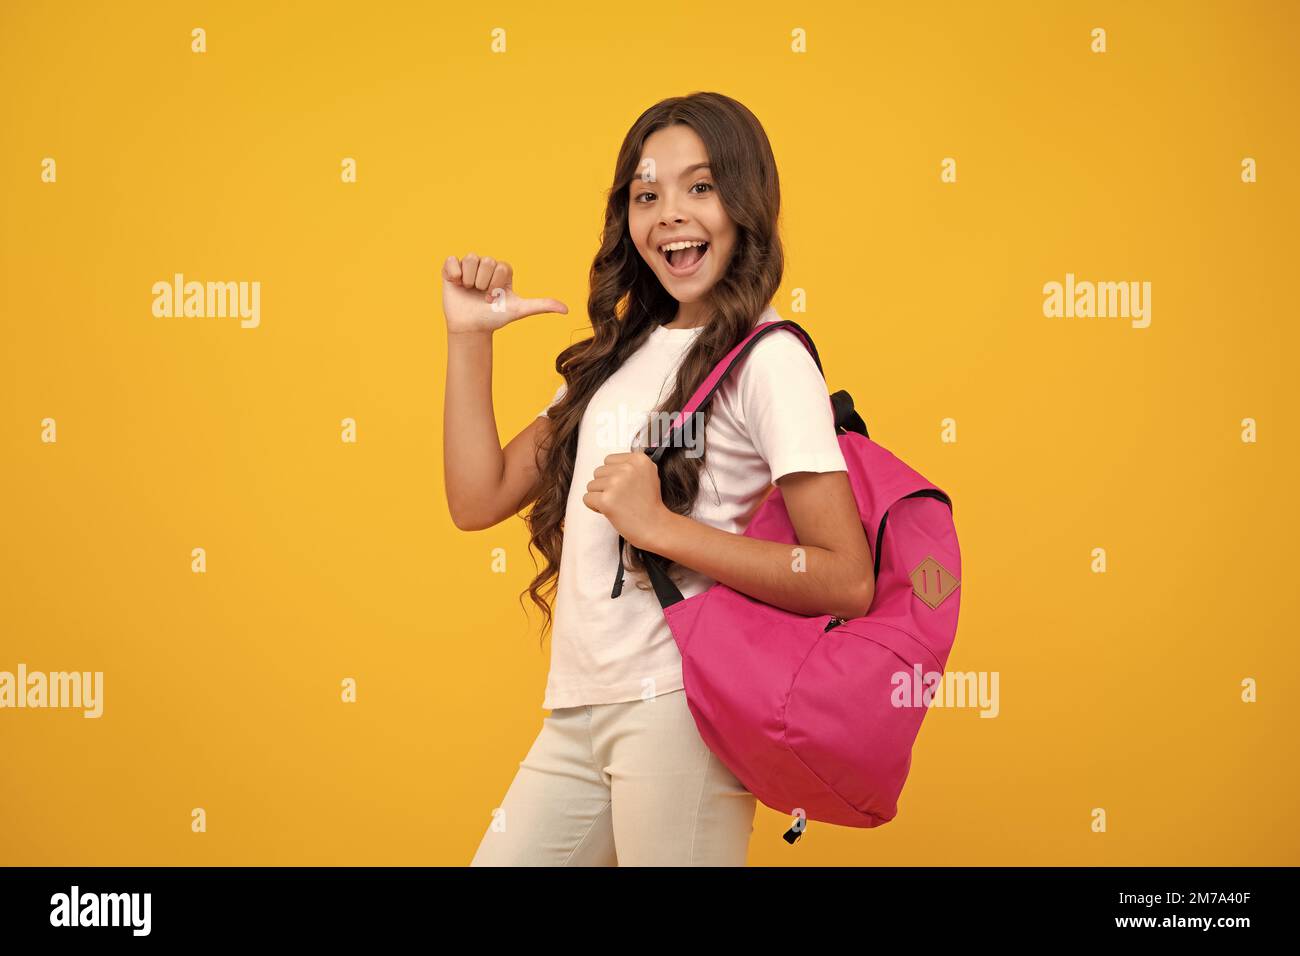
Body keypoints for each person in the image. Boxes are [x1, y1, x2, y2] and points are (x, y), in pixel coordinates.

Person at [443, 92, 872, 866]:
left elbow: (845, 577)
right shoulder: (615, 360)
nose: (670, 212)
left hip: (680, 706)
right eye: (647, 194)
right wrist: (469, 339)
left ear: (746, 204)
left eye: (700, 187)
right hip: (578, 707)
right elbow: (478, 499)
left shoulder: (769, 358)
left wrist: (661, 528)